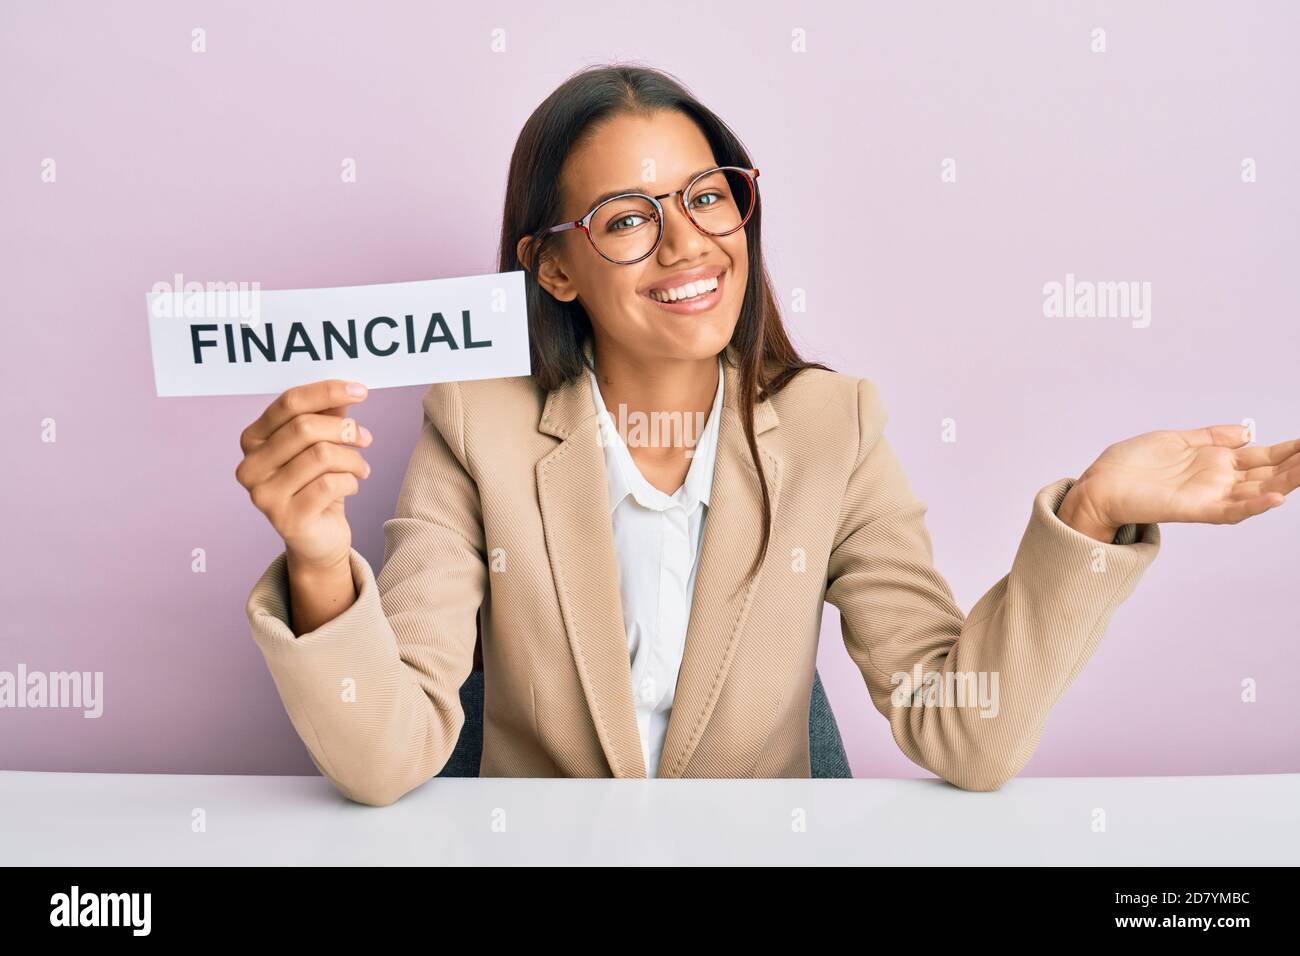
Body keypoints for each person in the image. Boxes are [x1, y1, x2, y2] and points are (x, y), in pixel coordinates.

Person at [236, 64, 1297, 807]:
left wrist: (1090, 511)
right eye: (625, 217)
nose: (688, 242)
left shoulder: (836, 425)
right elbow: (386, 761)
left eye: (707, 196)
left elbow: (959, 727)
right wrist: (321, 559)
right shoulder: (475, 425)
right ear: (553, 267)